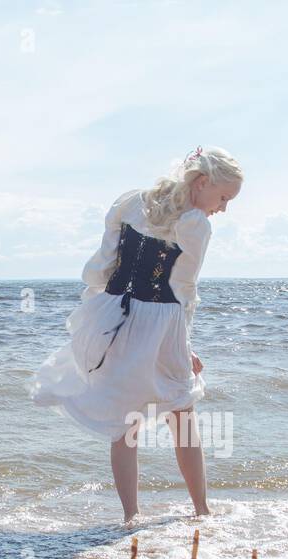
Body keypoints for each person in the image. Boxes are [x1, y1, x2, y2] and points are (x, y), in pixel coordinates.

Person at [31, 145, 243, 522]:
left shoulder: (130, 202)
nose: (223, 208)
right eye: (224, 197)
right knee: (182, 415)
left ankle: (131, 518)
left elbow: (101, 268)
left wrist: (98, 318)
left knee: (124, 423)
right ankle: (201, 511)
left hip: (114, 314)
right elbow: (184, 289)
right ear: (203, 182)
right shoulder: (196, 223)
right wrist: (186, 347)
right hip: (162, 320)